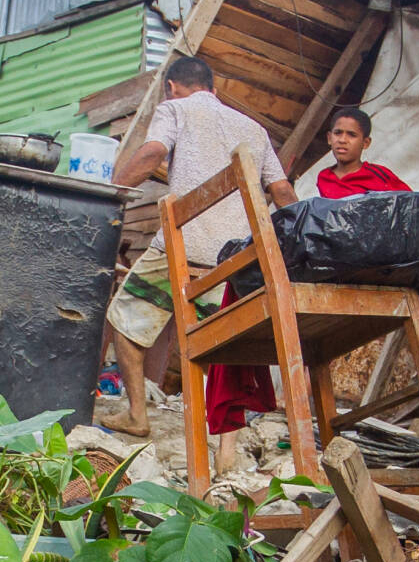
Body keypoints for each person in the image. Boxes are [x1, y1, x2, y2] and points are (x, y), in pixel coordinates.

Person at [114, 55, 288, 433]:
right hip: (232, 258)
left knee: (124, 321)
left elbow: (152, 153)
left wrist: (112, 190)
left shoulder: (174, 108)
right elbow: (282, 191)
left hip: (181, 246)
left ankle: (137, 415)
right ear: (213, 88)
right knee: (221, 352)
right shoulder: (254, 128)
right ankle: (225, 448)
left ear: (171, 87)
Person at [312, 106, 412, 198]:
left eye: (351, 135)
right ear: (329, 138)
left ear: (365, 143)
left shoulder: (379, 175)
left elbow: (412, 203)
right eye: (338, 133)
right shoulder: (324, 177)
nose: (342, 140)